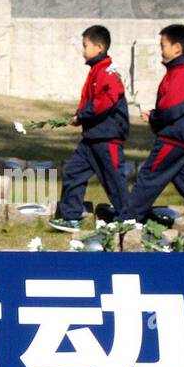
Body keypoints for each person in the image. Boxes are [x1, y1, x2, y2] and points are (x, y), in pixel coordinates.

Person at [49, 26, 131, 233]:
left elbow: (108, 99)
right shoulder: (96, 70)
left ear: (99, 47)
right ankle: (71, 217)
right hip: (92, 137)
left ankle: (129, 219)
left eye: (85, 46)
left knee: (114, 178)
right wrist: (80, 116)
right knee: (73, 172)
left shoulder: (108, 72)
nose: (83, 50)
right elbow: (91, 99)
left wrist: (83, 114)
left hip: (107, 137)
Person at [123, 23, 184, 225]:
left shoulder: (181, 74)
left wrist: (153, 118)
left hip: (174, 141)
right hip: (183, 141)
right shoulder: (179, 72)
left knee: (148, 177)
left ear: (177, 48)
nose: (161, 50)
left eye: (163, 45)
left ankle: (126, 221)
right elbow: (171, 107)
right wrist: (154, 114)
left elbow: (172, 110)